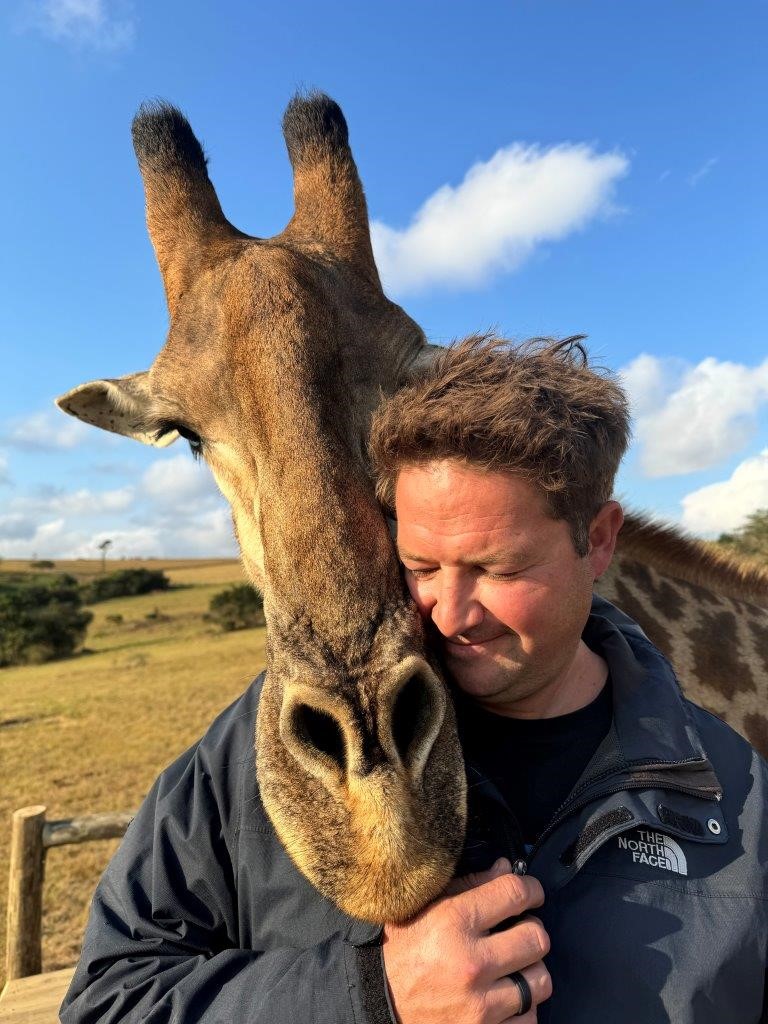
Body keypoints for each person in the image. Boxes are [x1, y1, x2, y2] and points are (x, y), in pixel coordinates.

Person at [61, 336, 768, 1024]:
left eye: (500, 569)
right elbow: (108, 1000)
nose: (450, 615)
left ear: (601, 540)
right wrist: (370, 996)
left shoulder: (738, 796)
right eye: (421, 567)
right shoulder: (273, 739)